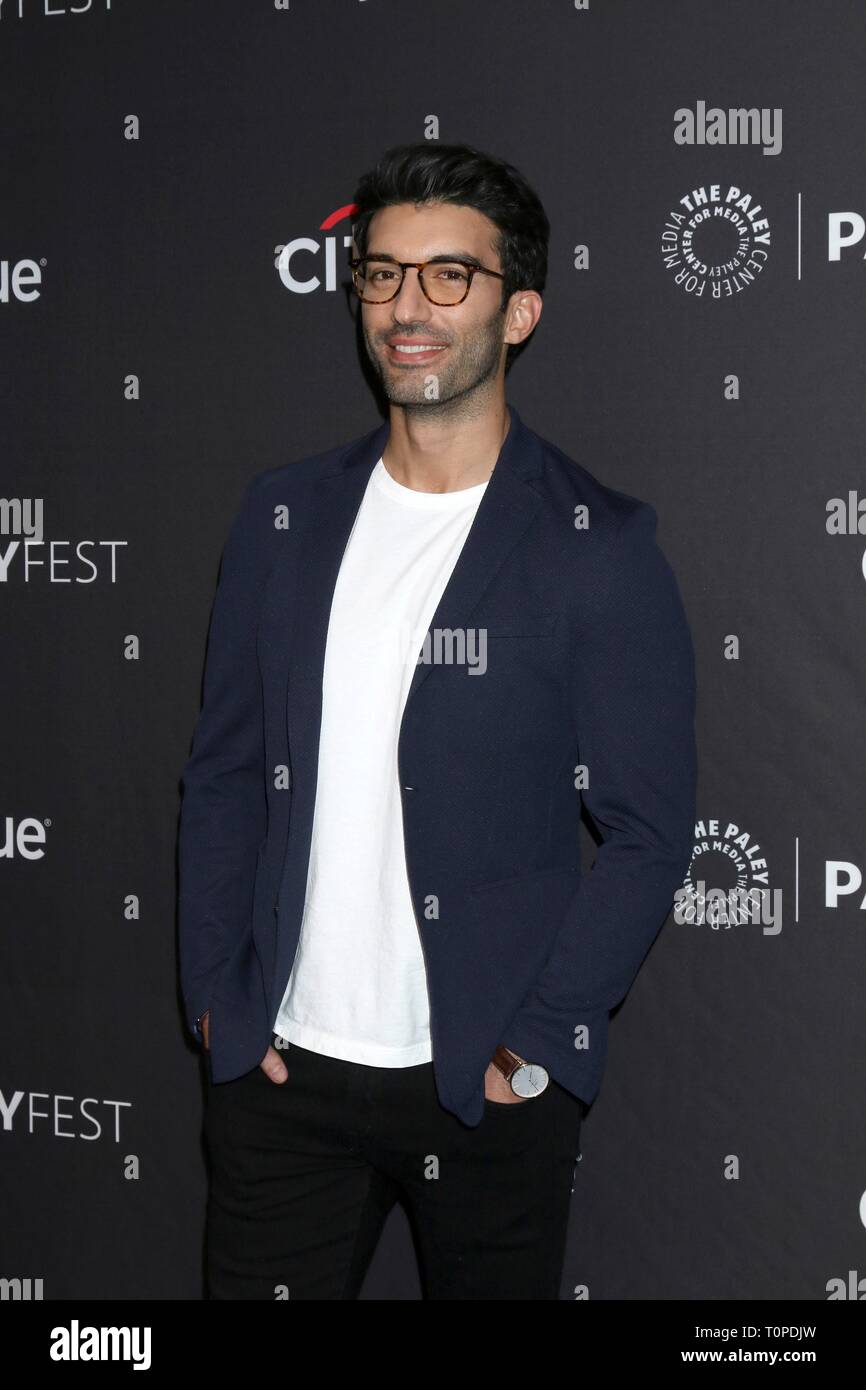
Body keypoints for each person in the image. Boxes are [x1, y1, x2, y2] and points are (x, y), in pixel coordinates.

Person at [177, 141, 697, 1300]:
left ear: (518, 312)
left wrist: (541, 1041)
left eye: (447, 277)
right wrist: (218, 991)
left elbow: (647, 831)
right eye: (380, 273)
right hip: (281, 1080)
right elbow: (222, 774)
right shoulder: (282, 516)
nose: (406, 307)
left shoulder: (594, 546)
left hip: (483, 1085)